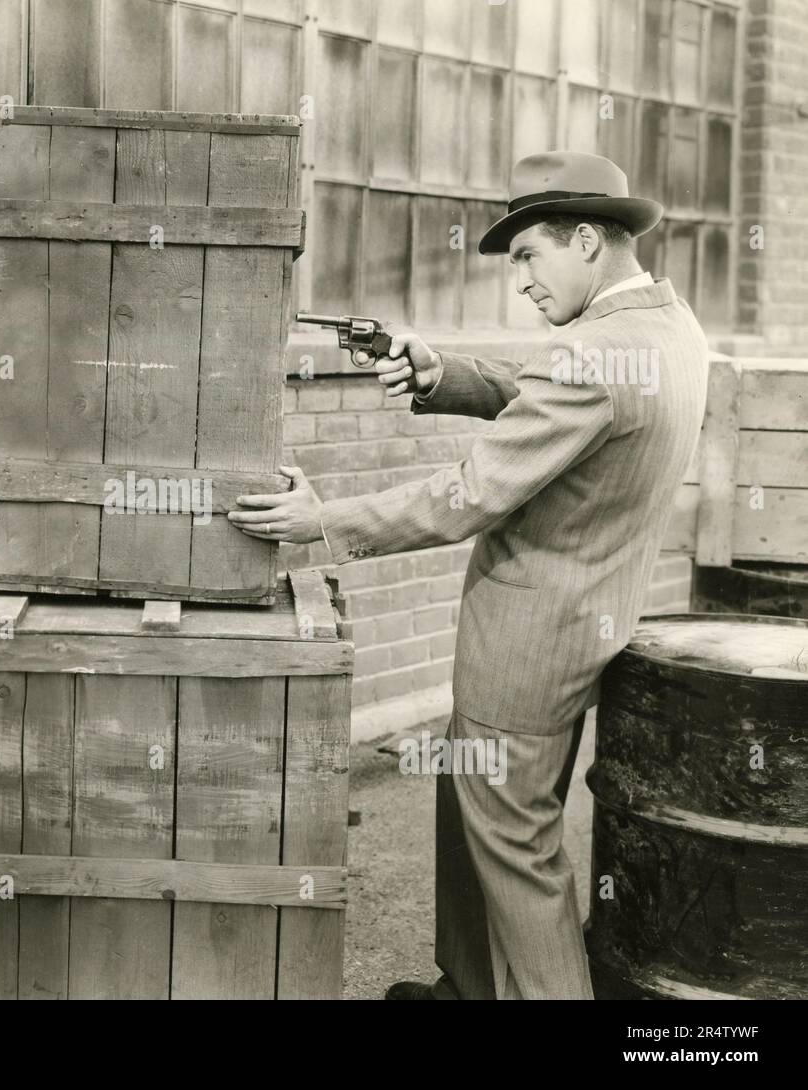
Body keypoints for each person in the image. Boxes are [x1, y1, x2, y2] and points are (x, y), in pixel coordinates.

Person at [228, 151, 708, 999]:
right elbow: (562, 398)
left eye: (527, 254)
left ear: (588, 239)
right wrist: (442, 372)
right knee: (479, 812)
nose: (518, 280)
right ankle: (472, 988)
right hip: (589, 622)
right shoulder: (669, 329)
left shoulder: (588, 356)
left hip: (524, 647)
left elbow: (467, 494)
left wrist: (322, 524)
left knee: (515, 849)